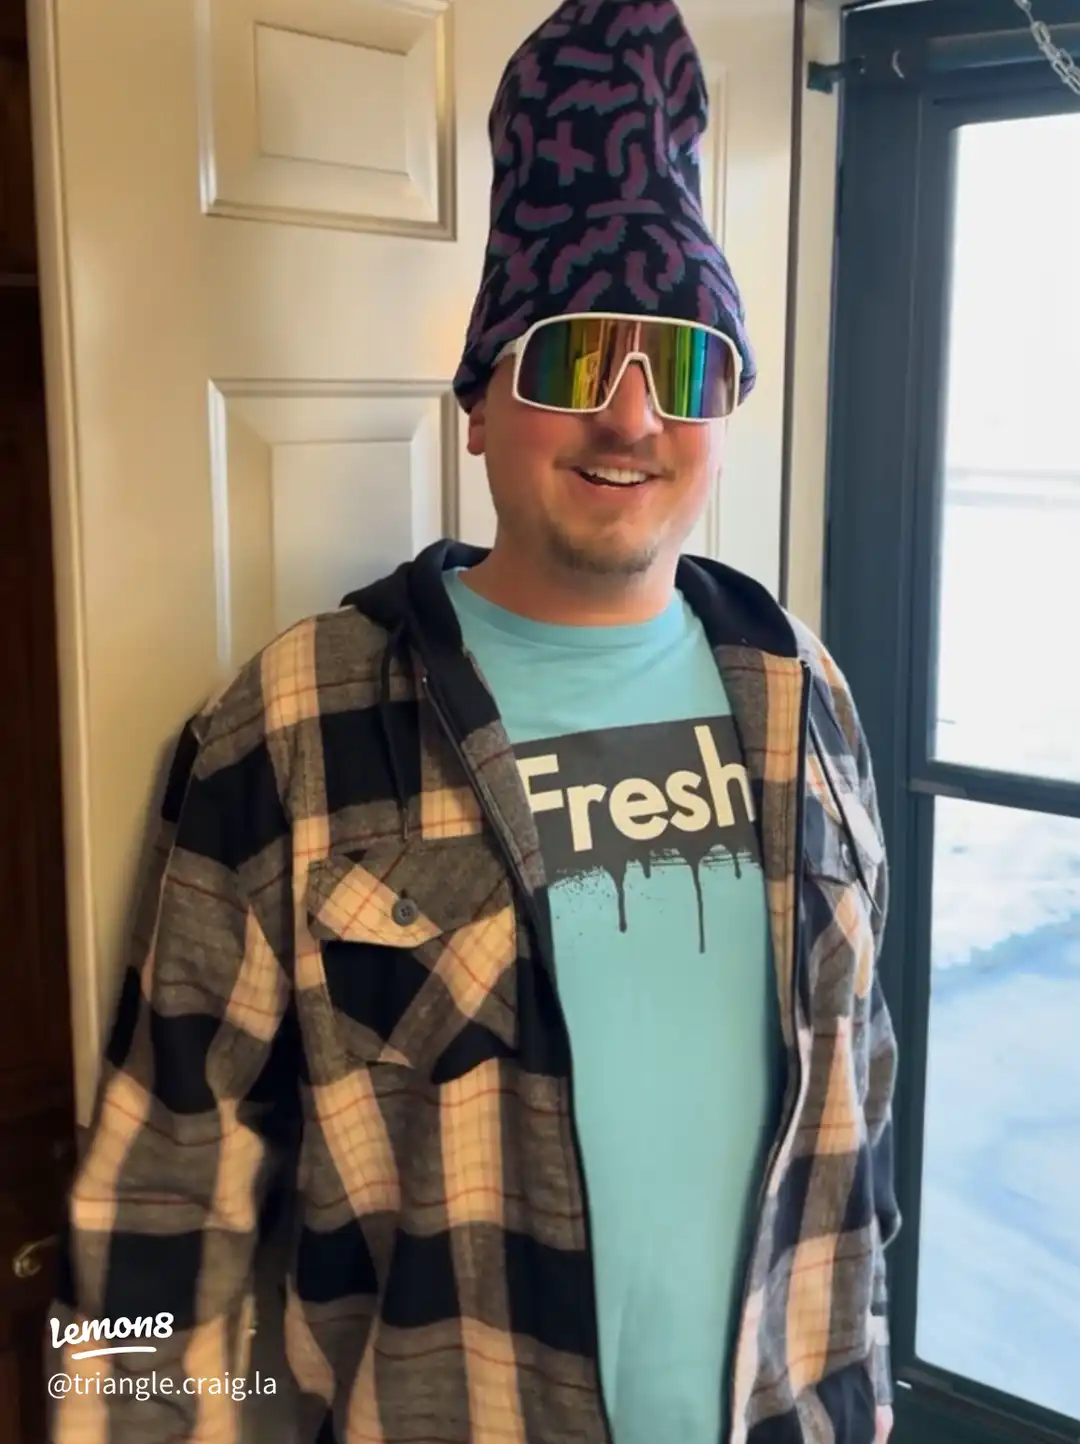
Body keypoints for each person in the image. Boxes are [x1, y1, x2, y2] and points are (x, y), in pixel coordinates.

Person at [49, 2, 899, 1441]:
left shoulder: (802, 694)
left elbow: (857, 1123)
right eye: (573, 359)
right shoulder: (295, 725)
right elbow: (154, 1213)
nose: (631, 419)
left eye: (685, 363)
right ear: (479, 404)